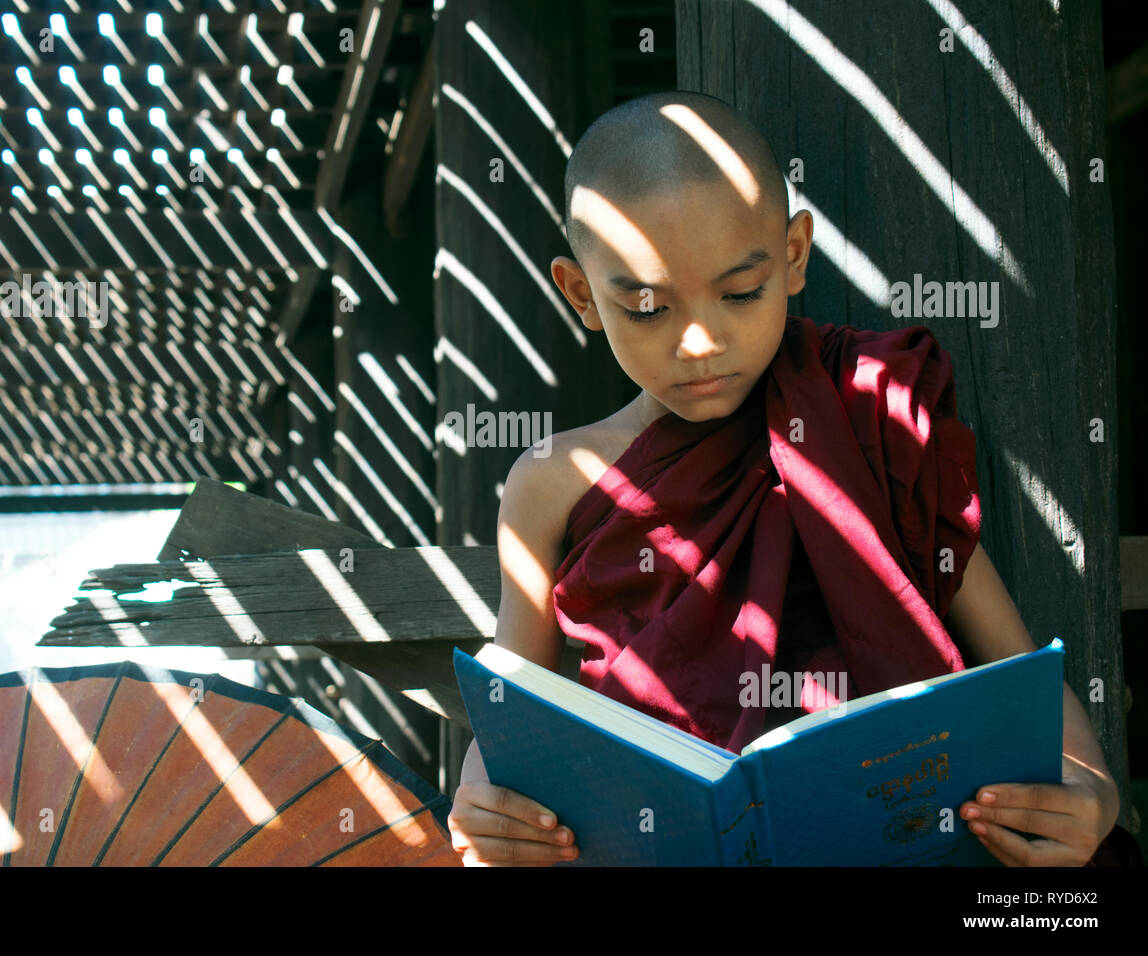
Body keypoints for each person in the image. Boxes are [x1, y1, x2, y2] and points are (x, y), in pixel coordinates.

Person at [446, 90, 1130, 867]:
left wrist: (1093, 791)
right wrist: (483, 809)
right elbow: (513, 724)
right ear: (581, 294)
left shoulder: (865, 411)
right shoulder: (550, 483)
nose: (700, 342)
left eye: (741, 294)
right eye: (645, 308)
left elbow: (1016, 670)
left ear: (795, 254)